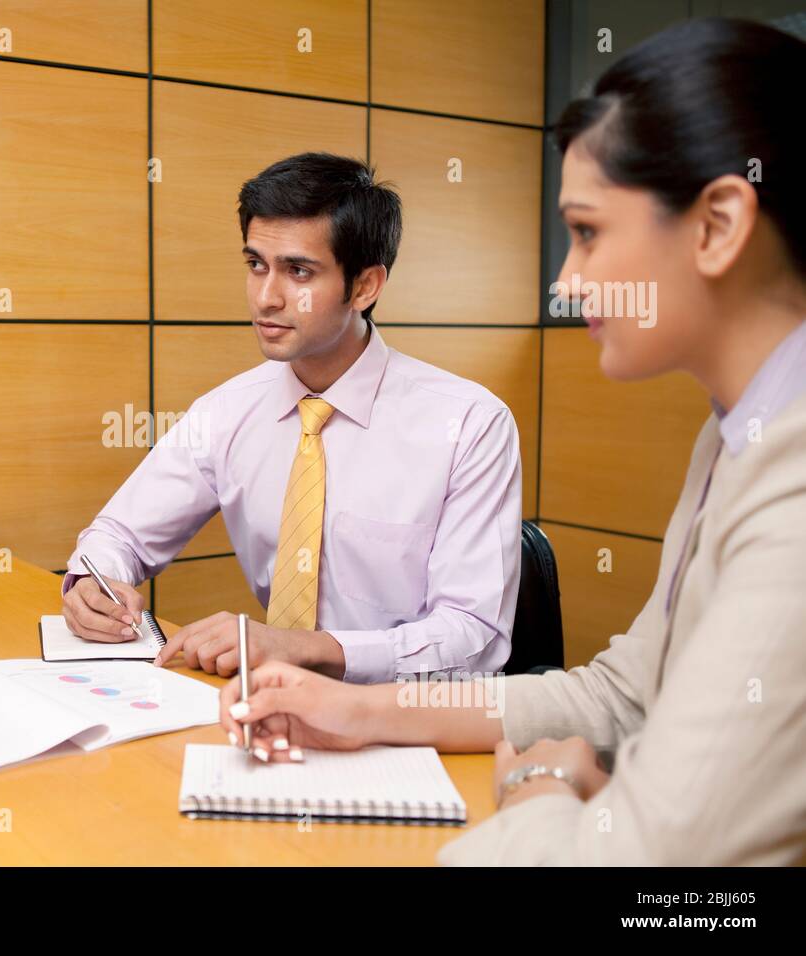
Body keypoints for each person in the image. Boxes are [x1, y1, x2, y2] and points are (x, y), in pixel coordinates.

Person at [218, 18, 806, 864]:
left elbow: (647, 871)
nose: (566, 281)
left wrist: (535, 786)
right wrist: (361, 712)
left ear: (717, 225)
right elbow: (620, 698)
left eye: (590, 233)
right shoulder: (733, 440)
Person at [61, 152, 522, 684]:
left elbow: (472, 640)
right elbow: (119, 535)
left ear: (366, 286)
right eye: (256, 264)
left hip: (403, 725)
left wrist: (306, 649)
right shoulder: (226, 412)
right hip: (275, 713)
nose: (265, 297)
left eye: (298, 271)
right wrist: (92, 582)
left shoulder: (469, 424)